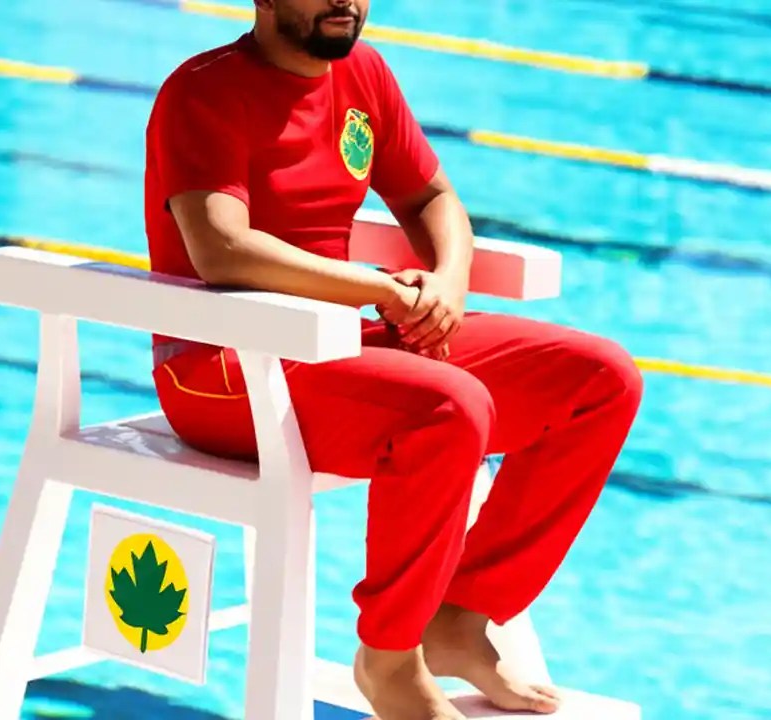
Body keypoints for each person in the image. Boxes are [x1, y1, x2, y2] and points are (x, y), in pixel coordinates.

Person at [143, 1, 643, 718]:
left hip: (336, 345)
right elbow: (221, 248)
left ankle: (460, 620)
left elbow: (433, 197)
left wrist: (444, 286)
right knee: (449, 404)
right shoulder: (205, 89)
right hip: (226, 369)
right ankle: (390, 661)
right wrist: (382, 289)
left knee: (599, 380)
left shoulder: (366, 76)